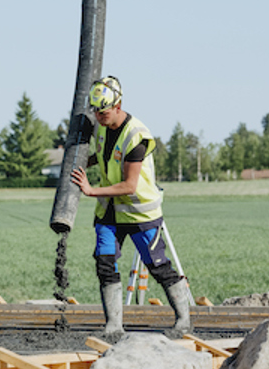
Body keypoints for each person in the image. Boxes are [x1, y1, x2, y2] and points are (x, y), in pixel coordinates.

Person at [70, 76, 192, 338]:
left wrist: (90, 190)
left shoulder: (137, 136)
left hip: (140, 214)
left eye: (103, 112)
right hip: (110, 212)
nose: (98, 117)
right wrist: (82, 161)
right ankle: (114, 325)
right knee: (105, 263)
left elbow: (129, 185)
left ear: (118, 105)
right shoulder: (101, 126)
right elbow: (104, 154)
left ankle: (184, 319)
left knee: (157, 266)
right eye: (95, 112)